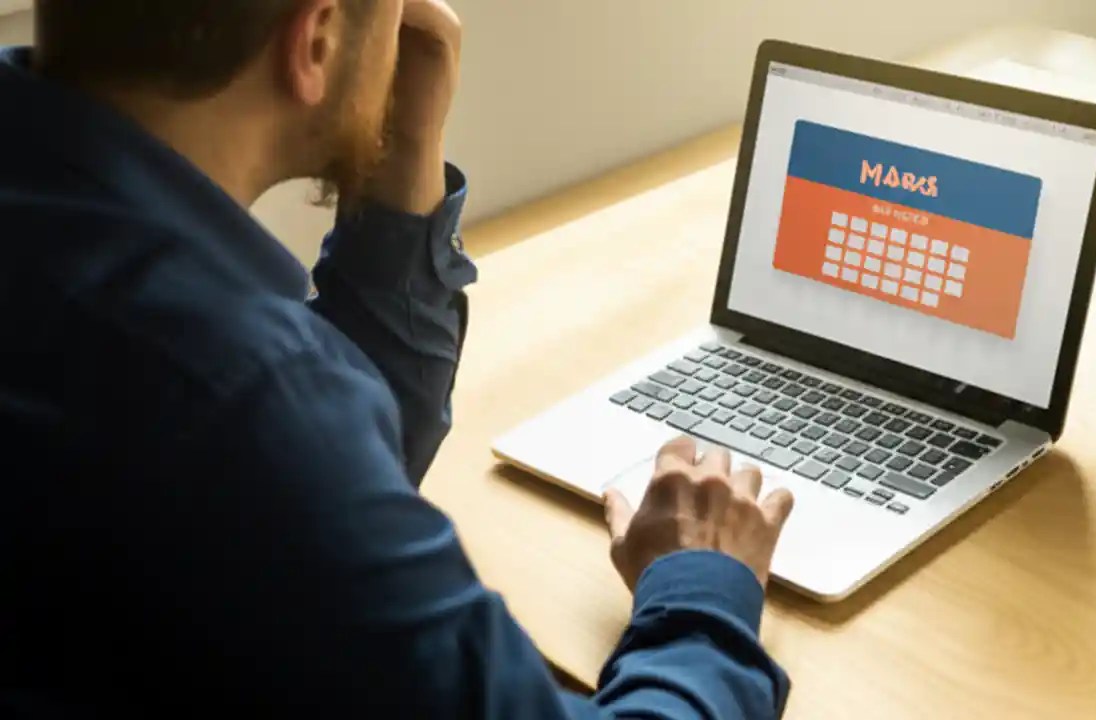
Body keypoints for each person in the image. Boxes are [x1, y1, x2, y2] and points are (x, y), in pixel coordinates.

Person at [0, 1, 798, 717]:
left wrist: (401, 146)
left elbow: (335, 459)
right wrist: (703, 588)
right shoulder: (237, 402)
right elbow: (284, 442)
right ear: (313, 41)